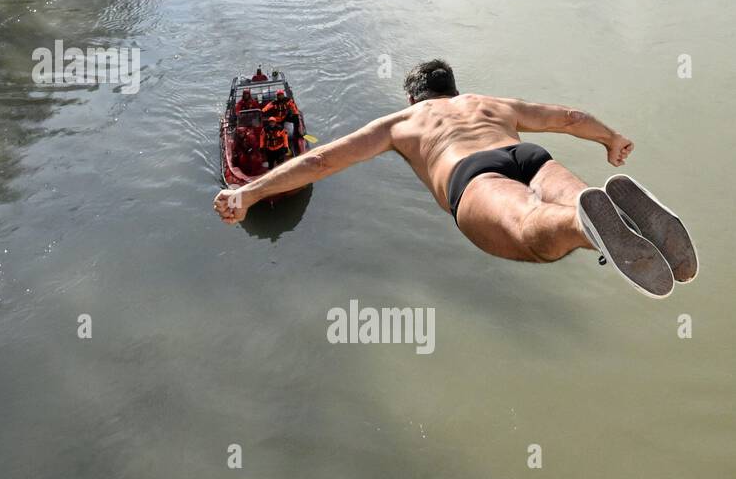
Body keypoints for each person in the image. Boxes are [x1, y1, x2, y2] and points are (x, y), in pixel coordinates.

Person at [214, 60, 698, 299]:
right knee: (578, 197)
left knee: (532, 231)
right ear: (455, 91)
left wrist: (249, 192)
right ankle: (598, 212)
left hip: (472, 175)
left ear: (413, 100)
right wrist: (612, 139)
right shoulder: (487, 104)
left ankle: (583, 226)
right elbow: (569, 117)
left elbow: (320, 162)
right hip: (526, 153)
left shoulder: (401, 124)